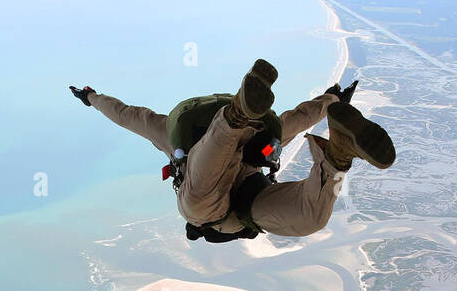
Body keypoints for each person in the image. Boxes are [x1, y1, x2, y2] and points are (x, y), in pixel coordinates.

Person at [68, 59, 396, 242]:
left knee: (201, 197)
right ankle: (338, 156)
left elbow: (125, 114)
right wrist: (332, 101)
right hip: (252, 195)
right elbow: (293, 120)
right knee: (311, 218)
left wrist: (91, 98)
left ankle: (236, 118)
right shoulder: (179, 139)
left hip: (232, 193)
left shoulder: (173, 141)